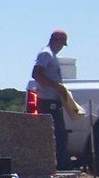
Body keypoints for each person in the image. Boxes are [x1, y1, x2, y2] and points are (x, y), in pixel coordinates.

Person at [31, 29, 73, 170]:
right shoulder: (46, 54)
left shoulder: (51, 55)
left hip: (53, 100)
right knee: (57, 135)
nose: (62, 47)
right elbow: (36, 74)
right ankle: (62, 166)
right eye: (62, 43)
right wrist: (56, 86)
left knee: (60, 134)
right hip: (47, 101)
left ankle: (62, 164)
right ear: (58, 41)